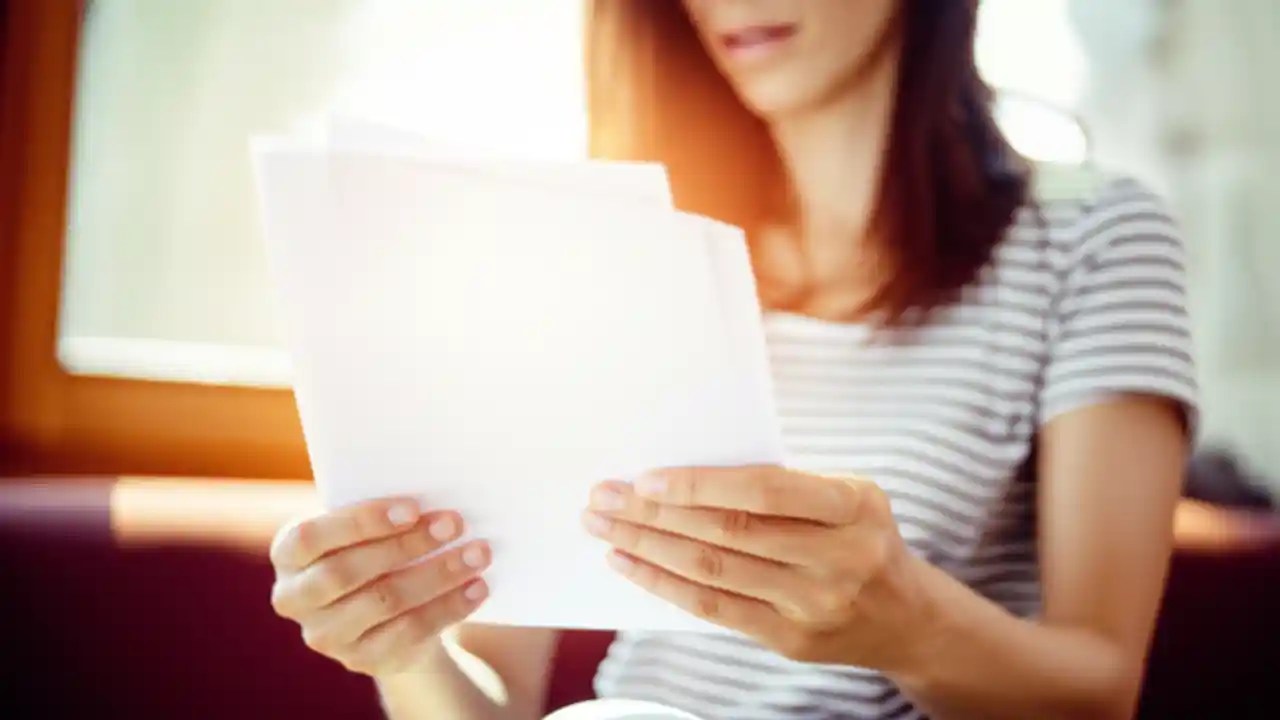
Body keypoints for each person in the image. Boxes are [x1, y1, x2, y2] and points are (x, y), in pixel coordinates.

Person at [268, 1, 1198, 718]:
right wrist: (404, 648)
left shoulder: (1092, 237)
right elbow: (496, 696)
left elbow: (1097, 694)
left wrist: (906, 618)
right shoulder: (621, 255)